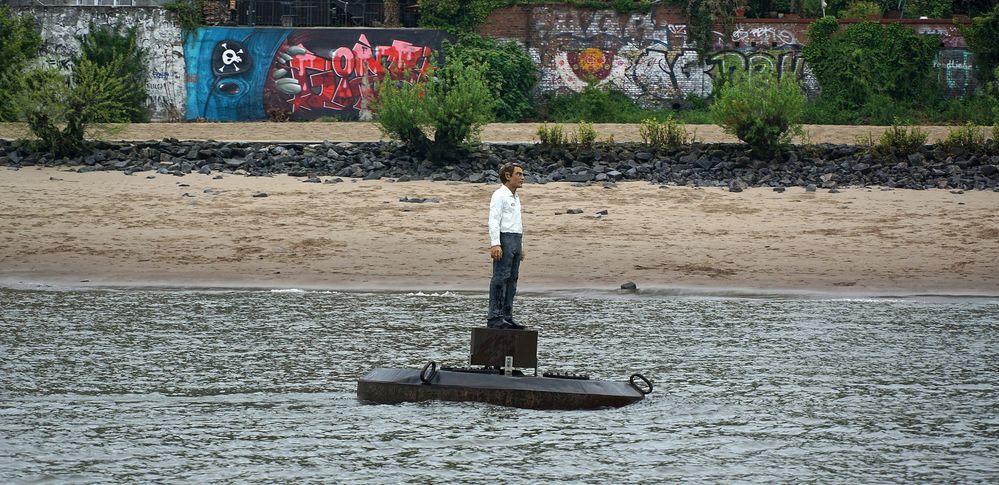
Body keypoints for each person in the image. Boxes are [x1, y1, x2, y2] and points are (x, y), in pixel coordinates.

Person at [487, 162, 526, 330]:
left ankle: (507, 315)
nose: (522, 178)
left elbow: (517, 223)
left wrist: (520, 246)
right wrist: (495, 243)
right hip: (504, 238)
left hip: (515, 239)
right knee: (500, 278)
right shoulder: (499, 195)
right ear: (508, 176)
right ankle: (495, 316)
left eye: (522, 174)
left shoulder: (516, 197)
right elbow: (494, 220)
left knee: (512, 279)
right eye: (518, 174)